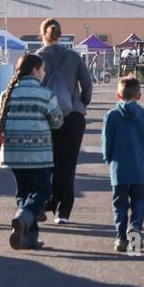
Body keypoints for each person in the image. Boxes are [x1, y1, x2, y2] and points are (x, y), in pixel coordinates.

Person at [0, 54, 64, 250]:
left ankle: (28, 238)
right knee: (42, 192)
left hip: (13, 154)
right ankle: (22, 217)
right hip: (38, 155)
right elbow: (57, 122)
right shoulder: (45, 94)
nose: (44, 73)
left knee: (24, 193)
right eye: (42, 70)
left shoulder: (6, 94)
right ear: (34, 70)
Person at [36, 18, 93, 224]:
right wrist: (80, 104)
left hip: (43, 118)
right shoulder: (73, 57)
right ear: (60, 35)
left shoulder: (36, 58)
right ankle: (63, 211)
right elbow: (87, 85)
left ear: (42, 34)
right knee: (67, 165)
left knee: (44, 163)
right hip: (73, 117)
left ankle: (43, 201)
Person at [101, 75, 144, 254]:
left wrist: (107, 157)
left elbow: (107, 142)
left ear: (118, 95)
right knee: (139, 200)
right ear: (139, 96)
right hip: (139, 166)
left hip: (119, 168)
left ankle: (120, 238)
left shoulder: (111, 116)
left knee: (120, 203)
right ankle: (135, 229)